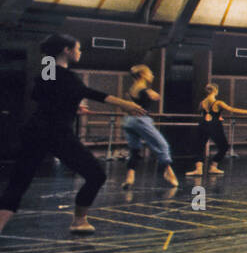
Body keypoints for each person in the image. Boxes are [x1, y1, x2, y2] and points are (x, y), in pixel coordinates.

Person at [0, 34, 145, 235]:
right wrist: (125, 104)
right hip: (57, 133)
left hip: (34, 131)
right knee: (96, 175)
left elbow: (42, 95)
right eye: (77, 49)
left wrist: (70, 107)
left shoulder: (48, 70)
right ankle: (79, 221)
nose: (79, 52)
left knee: (18, 182)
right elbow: (90, 92)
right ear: (67, 51)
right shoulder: (67, 76)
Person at [121, 64, 180, 189]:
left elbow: (126, 106)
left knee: (135, 150)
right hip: (141, 121)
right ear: (143, 75)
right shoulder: (145, 90)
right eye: (150, 73)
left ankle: (129, 178)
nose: (152, 75)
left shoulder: (131, 90)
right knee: (163, 146)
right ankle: (169, 173)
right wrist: (150, 94)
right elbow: (155, 96)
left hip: (128, 121)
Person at [187, 84, 247, 176]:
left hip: (203, 125)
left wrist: (215, 116)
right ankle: (213, 166)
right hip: (214, 126)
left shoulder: (202, 103)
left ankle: (199, 169)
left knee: (200, 147)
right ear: (216, 90)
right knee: (224, 146)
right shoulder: (218, 103)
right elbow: (232, 109)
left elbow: (203, 112)